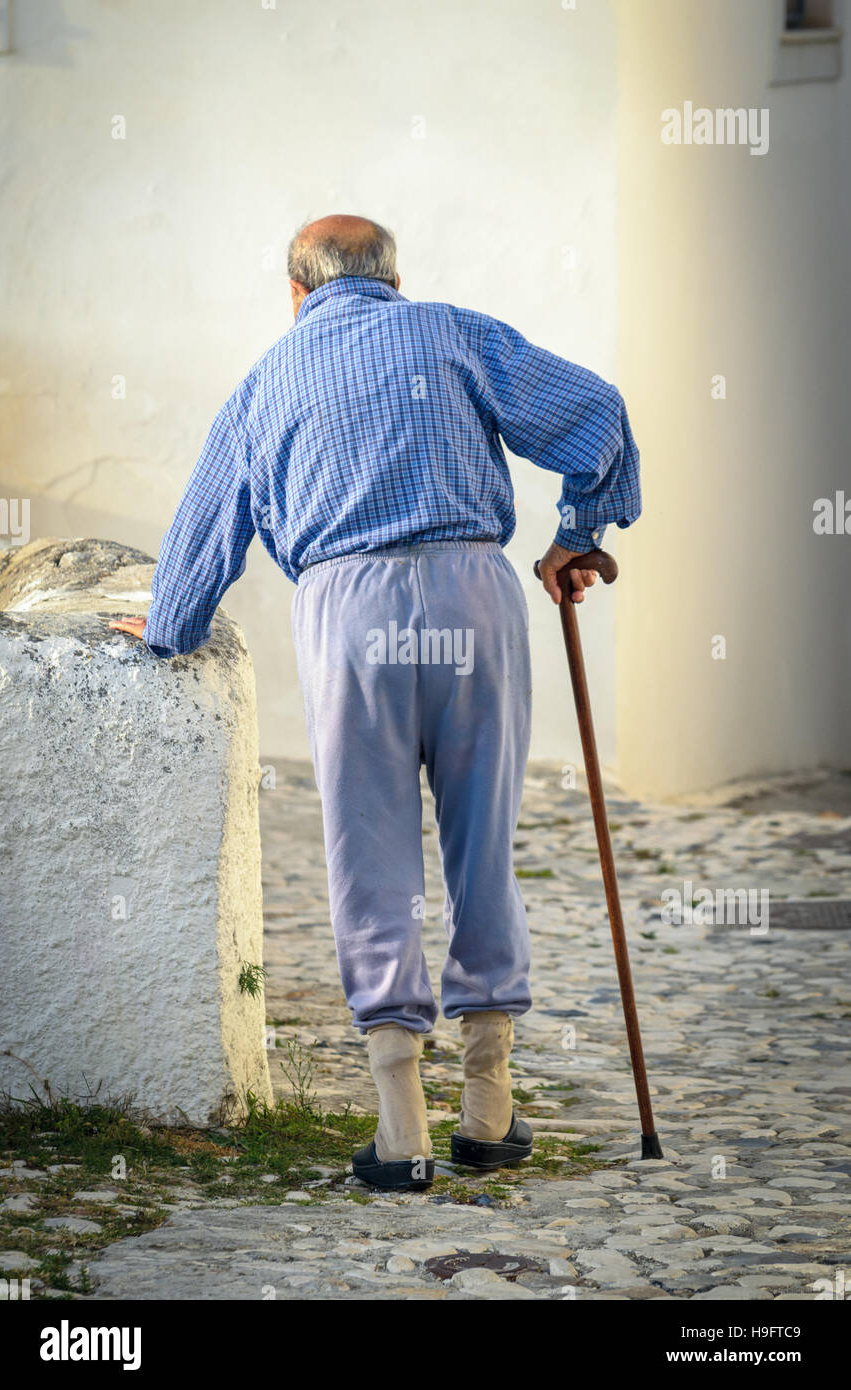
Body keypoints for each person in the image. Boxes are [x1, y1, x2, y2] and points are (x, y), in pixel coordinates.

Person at [110, 214, 641, 1191]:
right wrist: (579, 530)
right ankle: (489, 1108)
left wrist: (165, 632)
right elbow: (596, 413)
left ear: (297, 293)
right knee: (484, 837)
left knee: (372, 851)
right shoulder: (454, 333)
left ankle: (403, 1134)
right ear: (395, 281)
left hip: (350, 611)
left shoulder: (269, 379)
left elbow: (203, 534)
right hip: (474, 597)